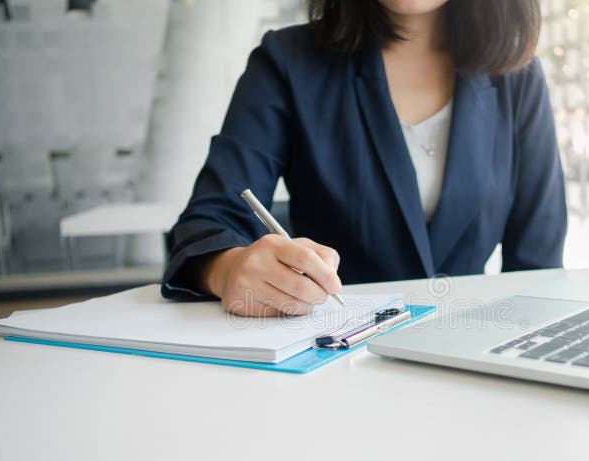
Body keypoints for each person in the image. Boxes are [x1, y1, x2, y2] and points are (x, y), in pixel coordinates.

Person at [162, 0, 567, 317]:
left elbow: (539, 265)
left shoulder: (517, 76)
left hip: (471, 350)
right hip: (331, 354)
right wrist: (229, 269)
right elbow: (209, 220)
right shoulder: (286, 61)